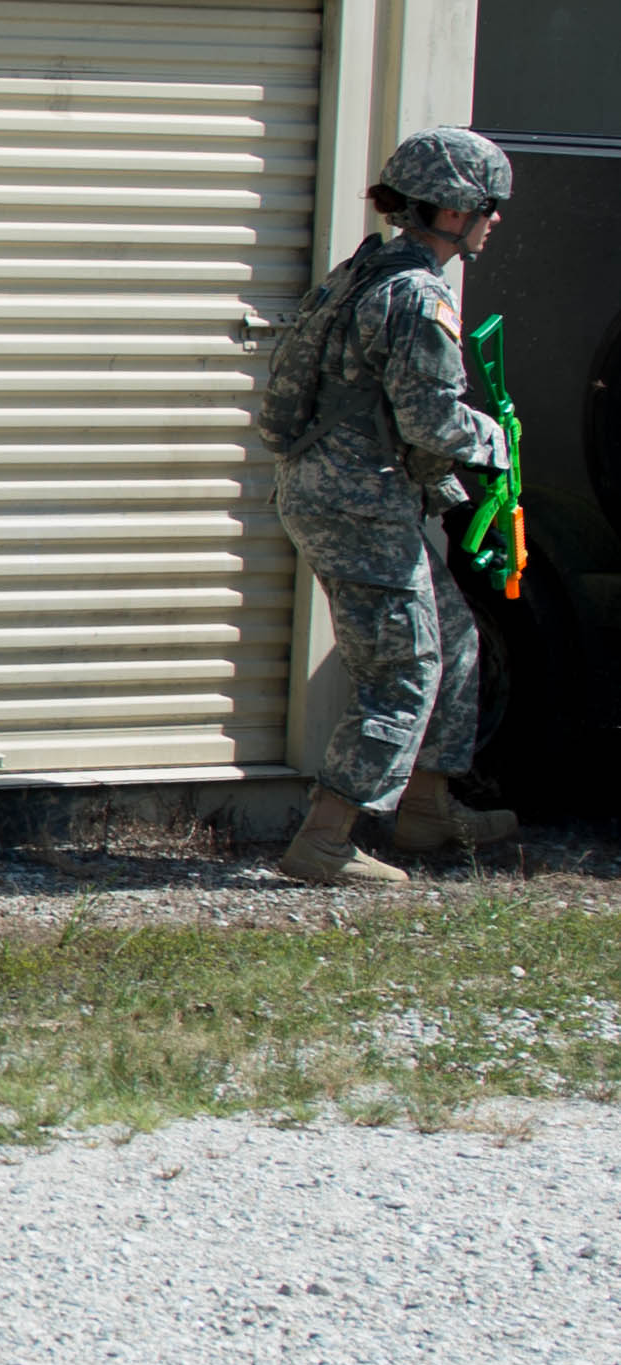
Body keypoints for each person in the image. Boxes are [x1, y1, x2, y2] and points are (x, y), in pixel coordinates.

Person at [259, 126, 520, 889]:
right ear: (452, 208)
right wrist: (498, 440)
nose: (495, 219)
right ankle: (326, 841)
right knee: (403, 667)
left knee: (454, 637)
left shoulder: (364, 272)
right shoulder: (416, 295)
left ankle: (429, 808)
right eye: (488, 204)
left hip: (346, 495)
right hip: (361, 504)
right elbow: (432, 423)